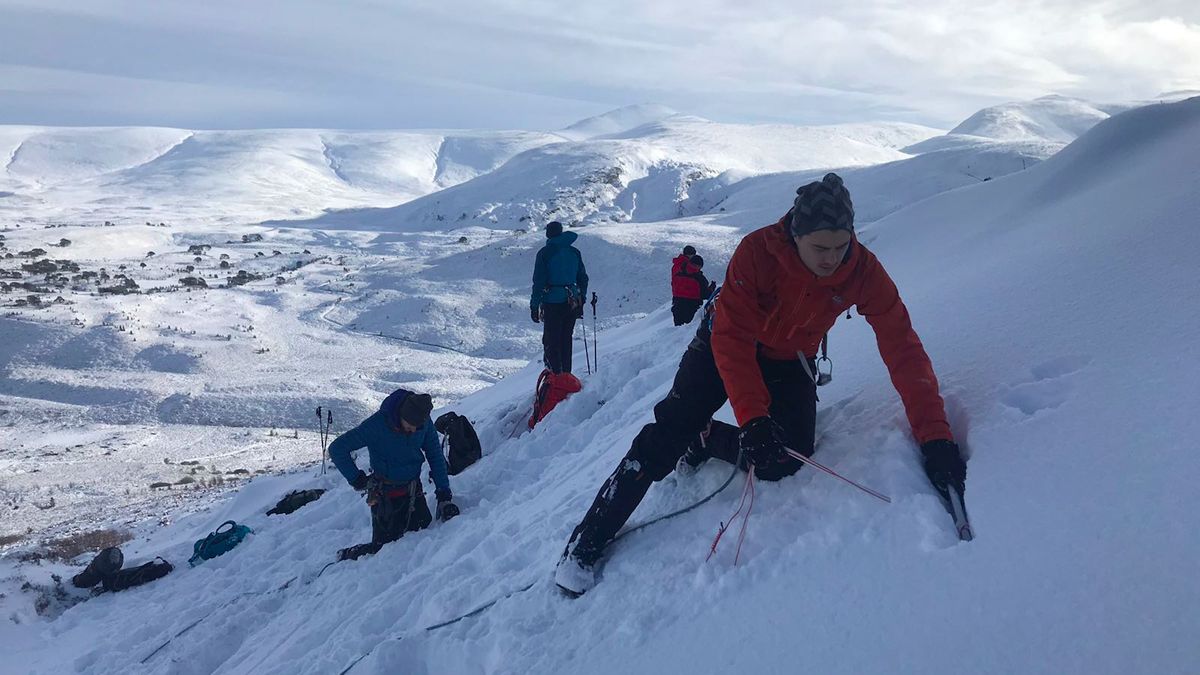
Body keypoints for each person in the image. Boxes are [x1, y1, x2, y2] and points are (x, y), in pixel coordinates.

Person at [554, 173, 966, 596]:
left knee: (785, 458)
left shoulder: (861, 269)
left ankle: (708, 438)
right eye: (820, 248)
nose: (832, 259)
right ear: (796, 235)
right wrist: (753, 418)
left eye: (841, 246)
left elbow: (902, 346)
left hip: (790, 358)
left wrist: (935, 437)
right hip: (721, 344)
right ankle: (585, 544)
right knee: (667, 434)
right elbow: (732, 340)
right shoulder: (757, 252)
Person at [329, 389, 460, 561]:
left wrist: (444, 494)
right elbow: (337, 449)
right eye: (410, 425)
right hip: (385, 495)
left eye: (417, 426)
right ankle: (349, 555)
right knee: (384, 551)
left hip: (413, 491)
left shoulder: (423, 421)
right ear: (400, 416)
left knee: (424, 534)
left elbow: (435, 455)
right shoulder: (377, 425)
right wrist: (357, 479)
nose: (414, 430)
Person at [530, 221, 589, 374]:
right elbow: (583, 278)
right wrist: (582, 298)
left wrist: (534, 306)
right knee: (566, 340)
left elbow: (539, 281)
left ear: (548, 234)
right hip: (572, 301)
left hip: (552, 302)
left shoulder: (545, 253)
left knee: (551, 341)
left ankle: (555, 378)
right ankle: (566, 376)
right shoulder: (574, 252)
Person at [670, 252, 716, 326]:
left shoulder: (678, 274)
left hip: (677, 306)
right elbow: (706, 295)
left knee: (678, 330)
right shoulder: (700, 278)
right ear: (699, 266)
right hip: (692, 309)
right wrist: (712, 288)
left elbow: (674, 287)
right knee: (687, 330)